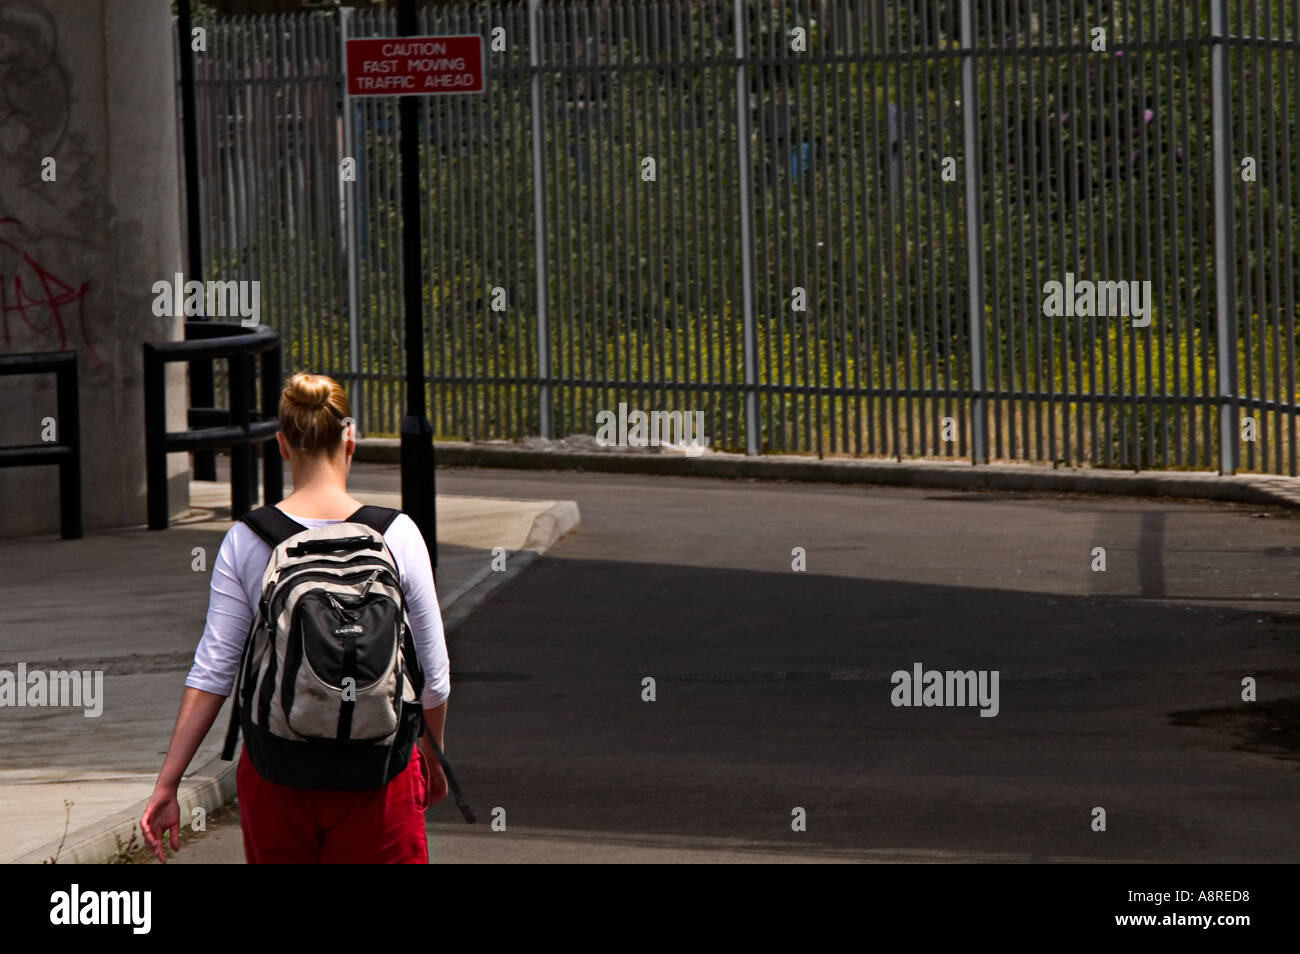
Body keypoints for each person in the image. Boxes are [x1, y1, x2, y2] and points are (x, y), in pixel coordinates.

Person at [141, 372, 449, 863]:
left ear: (283, 444)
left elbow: (214, 671)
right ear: (351, 437)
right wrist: (428, 763)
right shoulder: (399, 534)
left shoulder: (248, 539)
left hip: (278, 773)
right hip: (381, 773)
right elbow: (434, 678)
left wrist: (168, 783)